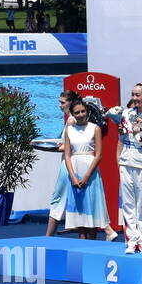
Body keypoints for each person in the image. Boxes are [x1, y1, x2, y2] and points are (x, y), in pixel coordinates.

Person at [106, 84, 142, 254]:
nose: (135, 98)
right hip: (127, 161)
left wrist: (140, 127)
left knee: (141, 203)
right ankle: (131, 240)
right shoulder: (126, 113)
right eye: (133, 94)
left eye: (138, 95)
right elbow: (121, 135)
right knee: (128, 203)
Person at [62, 99, 109, 239]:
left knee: (92, 206)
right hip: (74, 170)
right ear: (72, 114)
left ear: (87, 111)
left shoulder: (95, 128)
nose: (81, 114)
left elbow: (99, 154)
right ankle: (81, 241)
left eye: (83, 111)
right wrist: (73, 176)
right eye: (77, 112)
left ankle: (93, 242)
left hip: (91, 171)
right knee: (79, 208)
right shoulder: (69, 130)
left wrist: (87, 176)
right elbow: (67, 155)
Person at [45, 90, 80, 237]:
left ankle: (48, 236)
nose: (60, 105)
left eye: (63, 102)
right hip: (75, 162)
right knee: (80, 197)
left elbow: (71, 144)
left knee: (57, 198)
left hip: (69, 163)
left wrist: (55, 147)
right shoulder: (73, 119)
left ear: (70, 103)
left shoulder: (72, 120)